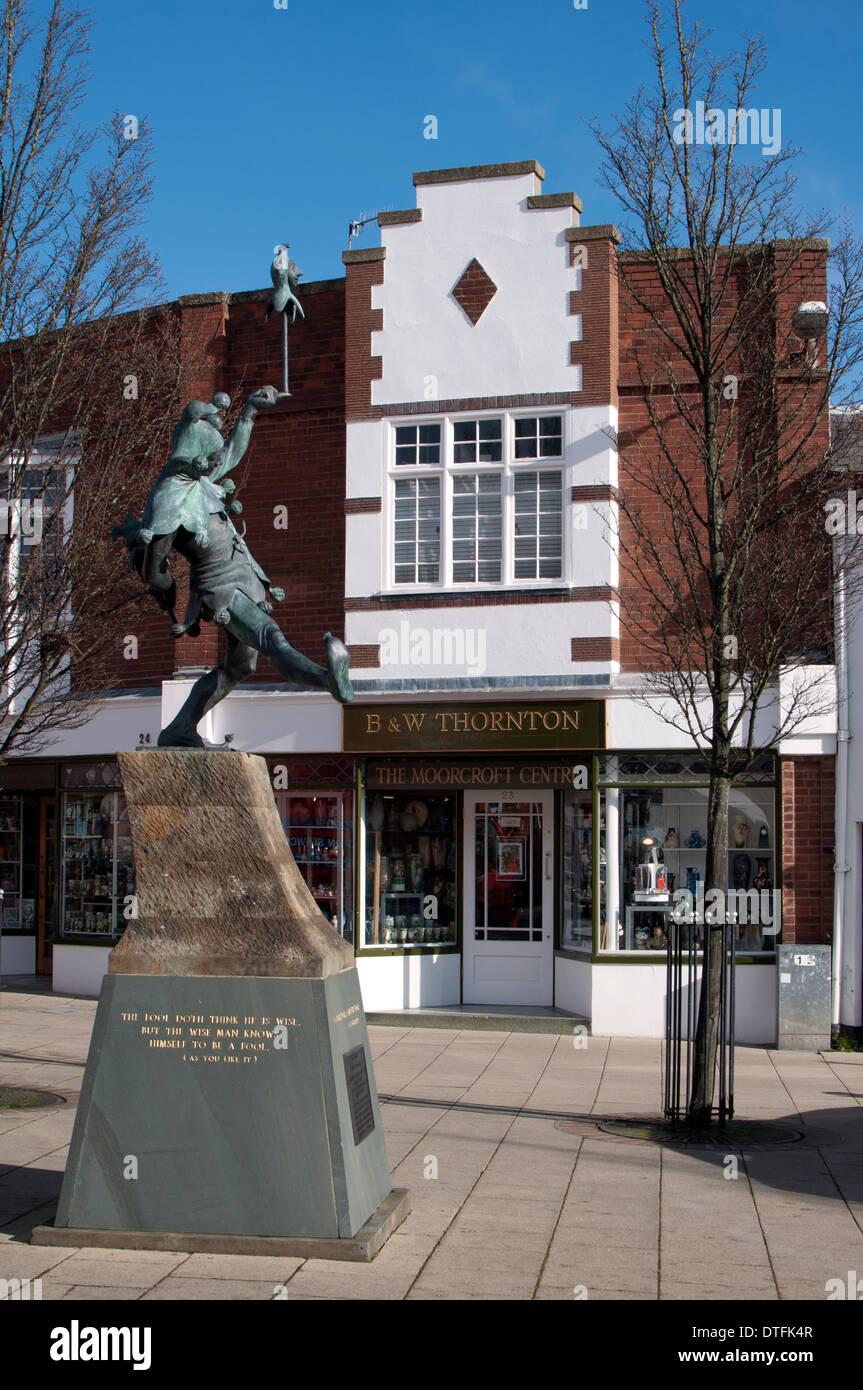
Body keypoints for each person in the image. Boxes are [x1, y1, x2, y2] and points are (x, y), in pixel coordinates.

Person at [114, 386, 352, 748]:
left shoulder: (199, 481)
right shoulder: (167, 503)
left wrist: (251, 411)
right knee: (271, 637)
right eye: (209, 456)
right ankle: (329, 681)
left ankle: (179, 729)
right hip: (222, 589)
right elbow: (153, 568)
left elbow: (232, 452)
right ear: (192, 452)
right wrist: (168, 593)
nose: (216, 462)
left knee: (241, 667)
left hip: (246, 576)